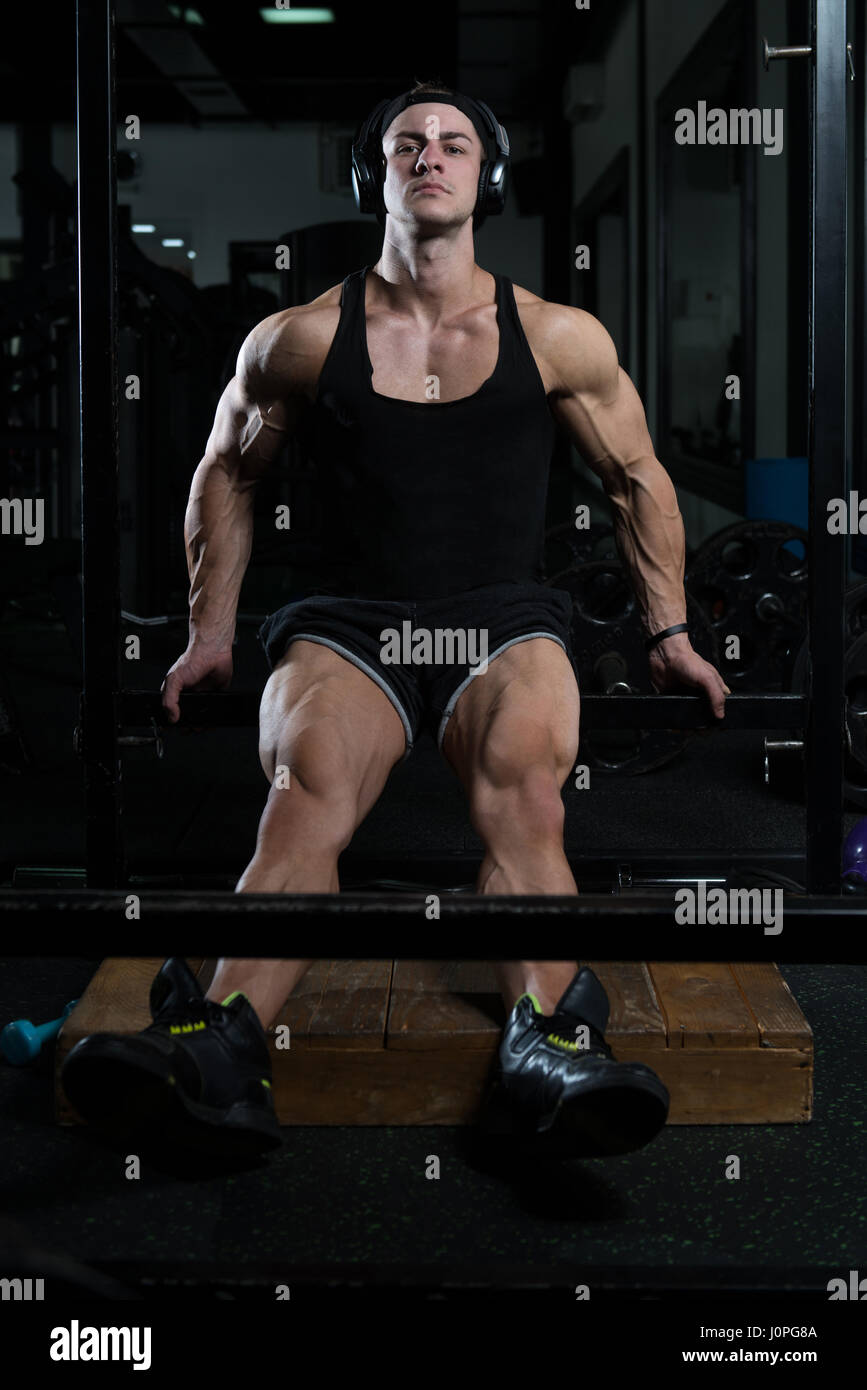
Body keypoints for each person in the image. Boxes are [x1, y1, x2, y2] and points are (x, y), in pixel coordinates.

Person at [62, 81, 729, 1164]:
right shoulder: (301, 336)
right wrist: (210, 633)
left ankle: (548, 1044)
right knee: (308, 779)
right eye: (407, 142)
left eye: (454, 142)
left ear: (487, 177)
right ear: (374, 171)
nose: (430, 154)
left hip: (503, 619)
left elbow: (640, 479)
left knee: (525, 771)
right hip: (349, 622)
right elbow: (224, 474)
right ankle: (219, 1043)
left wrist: (670, 634)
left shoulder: (558, 336)